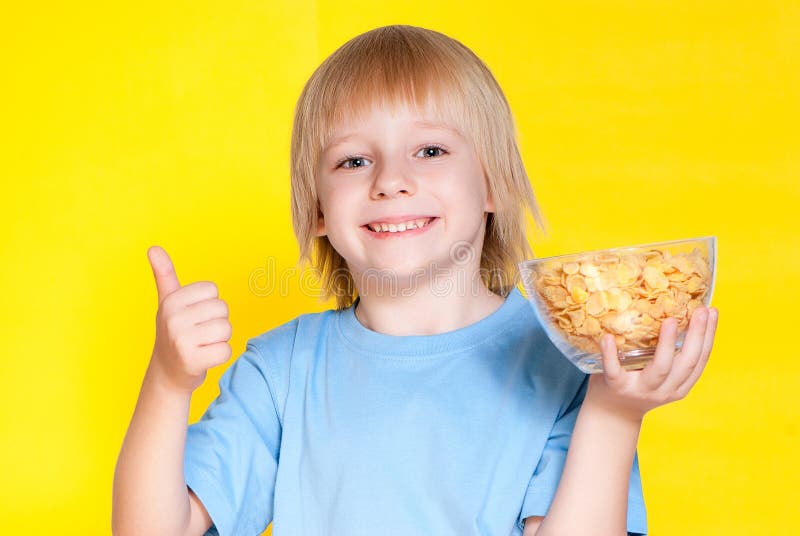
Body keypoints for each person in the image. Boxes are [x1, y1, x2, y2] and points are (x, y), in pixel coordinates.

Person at [112, 25, 719, 536]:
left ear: (493, 185)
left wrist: (614, 414)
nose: (391, 180)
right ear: (318, 209)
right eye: (353, 160)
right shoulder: (280, 373)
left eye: (430, 150)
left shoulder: (566, 365)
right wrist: (168, 383)